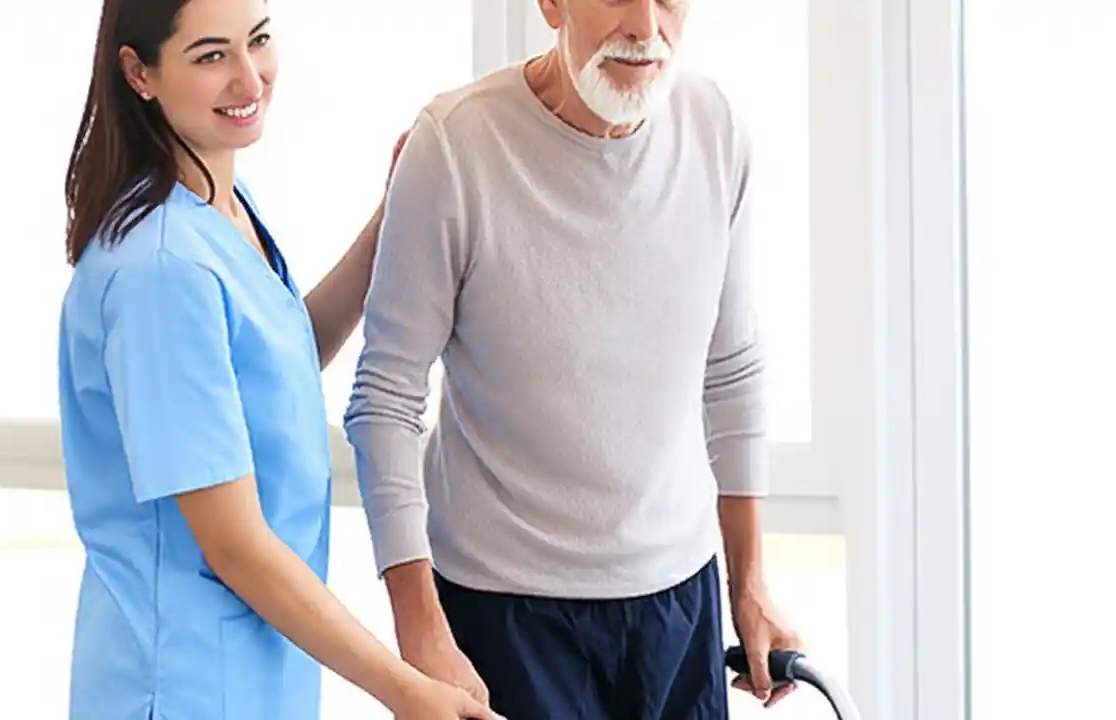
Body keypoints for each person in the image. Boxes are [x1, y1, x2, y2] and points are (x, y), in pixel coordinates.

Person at [344, 0, 803, 718]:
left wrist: (750, 582)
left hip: (678, 605)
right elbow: (385, 398)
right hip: (503, 613)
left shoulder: (718, 130)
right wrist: (420, 625)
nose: (646, 28)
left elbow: (733, 365)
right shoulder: (456, 144)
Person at [56, 0, 505, 718]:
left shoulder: (221, 213)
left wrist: (391, 220)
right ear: (139, 72)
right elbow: (234, 545)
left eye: (258, 41)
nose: (249, 78)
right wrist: (405, 688)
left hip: (255, 675)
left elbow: (281, 357)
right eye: (210, 56)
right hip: (181, 686)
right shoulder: (164, 270)